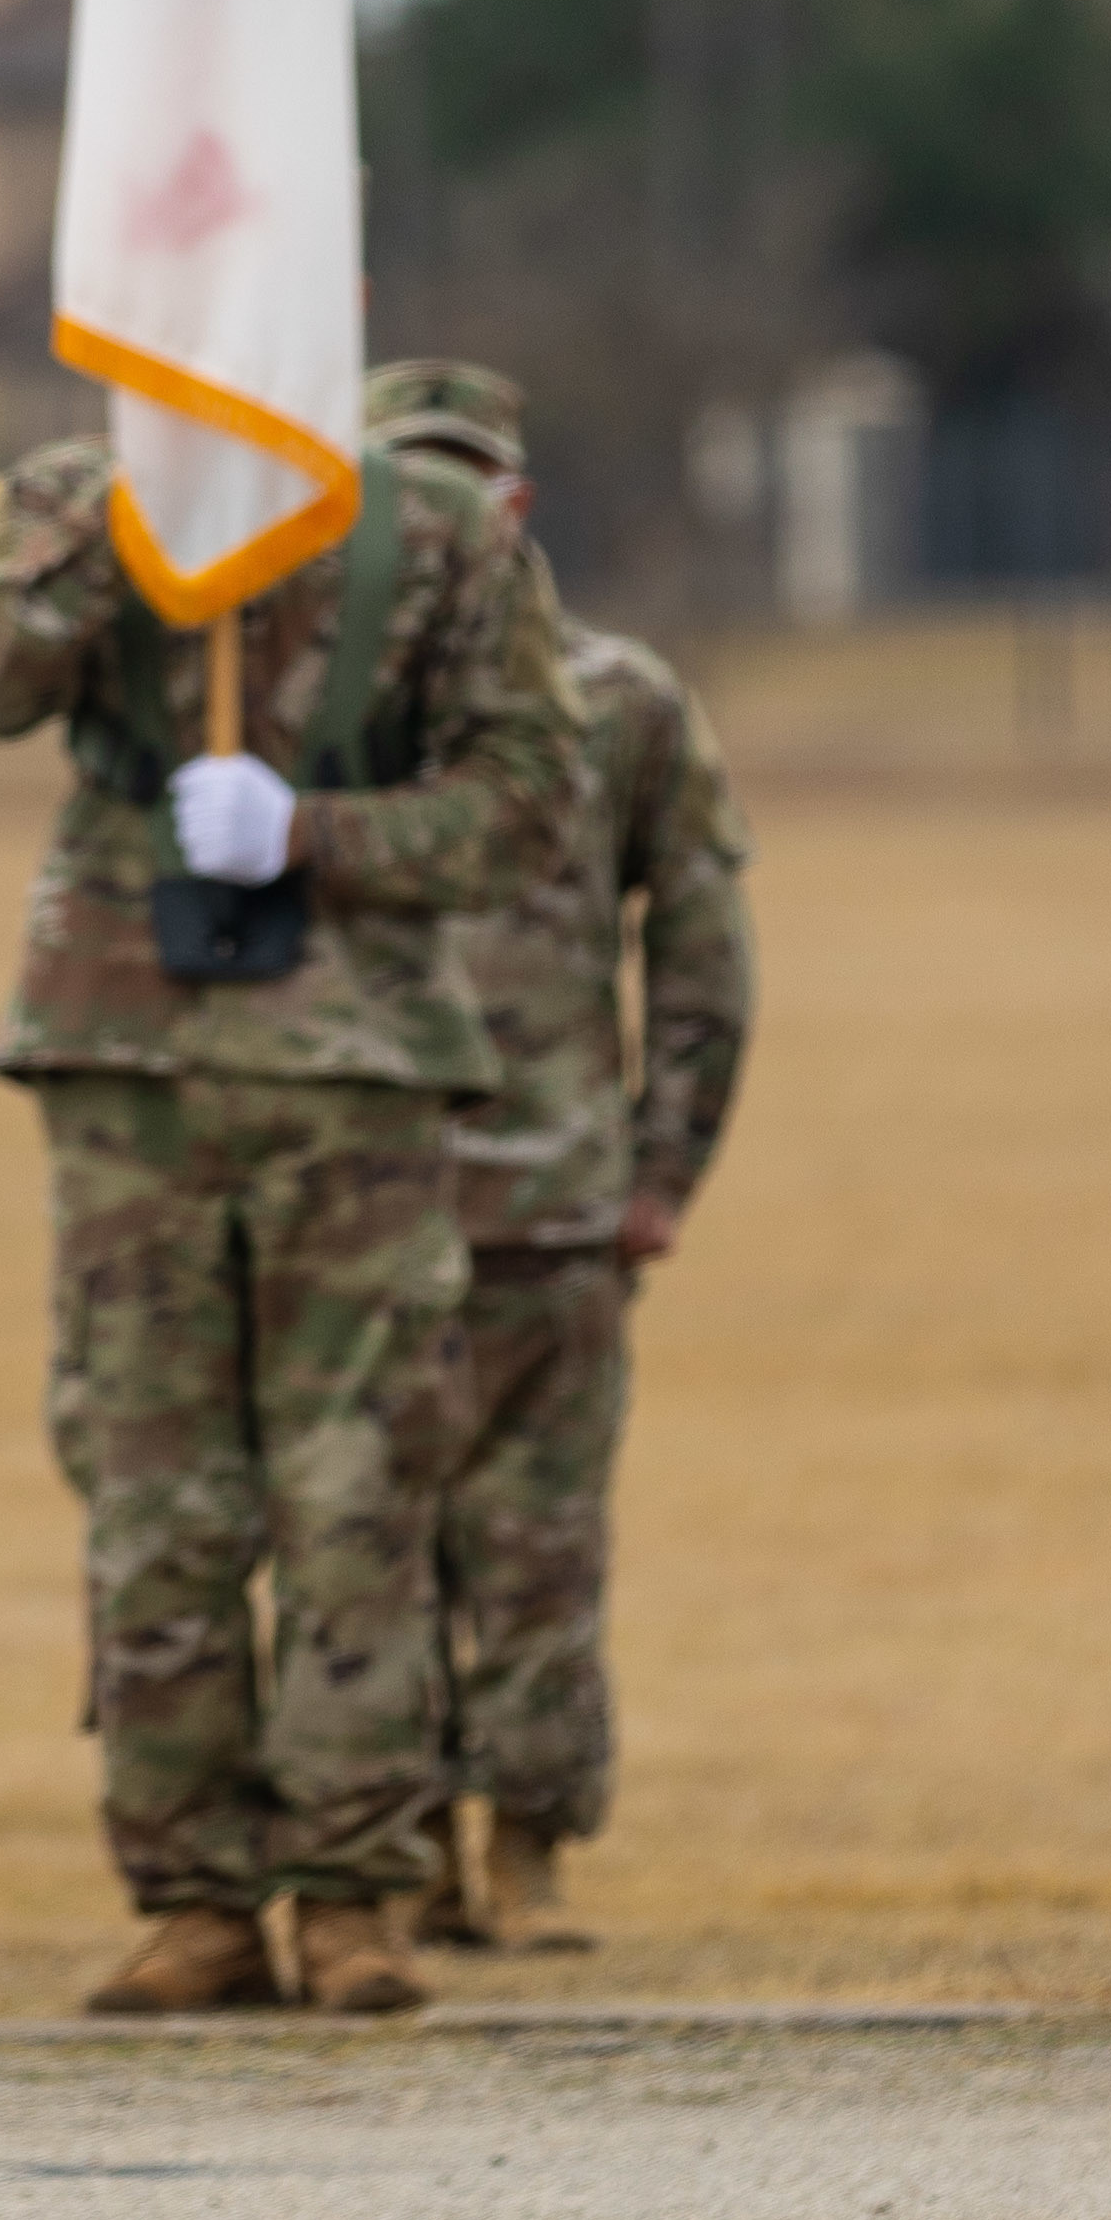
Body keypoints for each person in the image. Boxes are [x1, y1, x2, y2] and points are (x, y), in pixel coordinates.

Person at [0, 416, 581, 2019]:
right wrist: (130, 516)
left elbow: (527, 796)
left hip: (351, 1069)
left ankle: (356, 1894)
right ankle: (197, 1894)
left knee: (356, 1486)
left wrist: (313, 832)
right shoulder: (65, 500)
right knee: (157, 1495)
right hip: (127, 1061)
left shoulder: (436, 531)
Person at [351, 362, 752, 1961]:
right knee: (363, 1537)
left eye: (468, 484)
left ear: (512, 504)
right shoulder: (334, 706)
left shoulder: (621, 703)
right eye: (408, 484)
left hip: (556, 1200)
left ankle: (521, 1850)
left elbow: (708, 949)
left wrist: (667, 1166)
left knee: (535, 1547)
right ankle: (385, 1853)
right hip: (364, 1197)